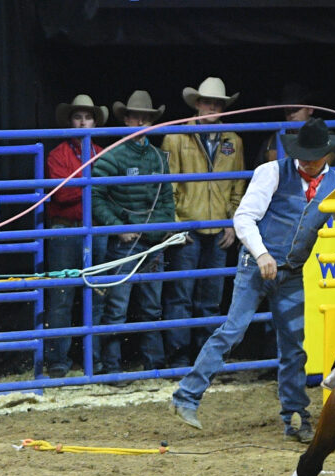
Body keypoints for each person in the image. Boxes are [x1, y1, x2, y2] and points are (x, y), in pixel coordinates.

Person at [172, 118, 335, 438]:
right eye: (302, 153)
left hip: (289, 271)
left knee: (293, 345)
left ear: (327, 155)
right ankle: (186, 395)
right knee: (233, 330)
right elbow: (244, 217)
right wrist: (262, 254)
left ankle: (294, 414)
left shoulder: (333, 183)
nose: (305, 159)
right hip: (255, 265)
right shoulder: (272, 172)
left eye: (313, 154)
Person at [160, 78, 245, 372]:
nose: (213, 107)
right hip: (188, 227)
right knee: (181, 295)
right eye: (208, 102)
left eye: (218, 103)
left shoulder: (233, 140)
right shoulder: (175, 138)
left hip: (219, 228)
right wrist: (175, 225)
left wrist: (232, 222)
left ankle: (205, 358)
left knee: (210, 297)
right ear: (197, 104)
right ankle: (180, 357)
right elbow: (167, 185)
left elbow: (237, 185)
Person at [87, 90, 169, 375]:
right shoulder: (114, 156)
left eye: (145, 118)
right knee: (117, 308)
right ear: (126, 119)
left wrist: (163, 229)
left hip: (153, 241)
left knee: (151, 308)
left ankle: (154, 366)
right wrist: (117, 227)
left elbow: (167, 197)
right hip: (126, 243)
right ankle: (111, 368)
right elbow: (95, 196)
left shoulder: (159, 157)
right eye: (136, 117)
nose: (140, 122)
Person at [41, 94, 106, 377]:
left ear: (94, 121)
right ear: (71, 121)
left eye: (87, 117)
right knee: (62, 296)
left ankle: (95, 358)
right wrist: (93, 185)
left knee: (98, 294)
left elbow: (77, 190)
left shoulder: (103, 152)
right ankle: (58, 361)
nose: (83, 122)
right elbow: (62, 193)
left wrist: (83, 185)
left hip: (96, 229)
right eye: (78, 117)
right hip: (65, 228)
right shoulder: (58, 154)